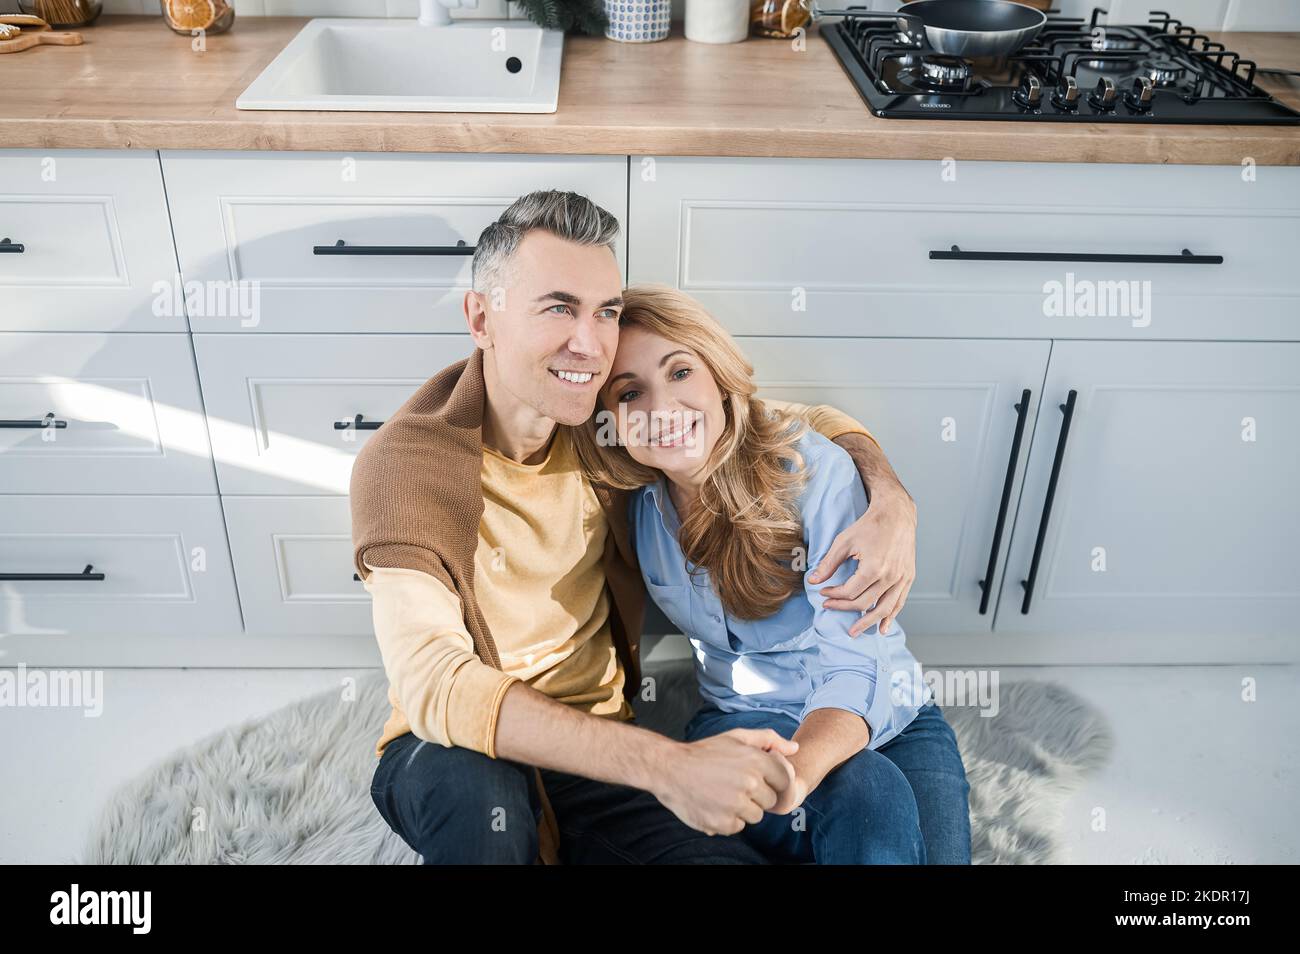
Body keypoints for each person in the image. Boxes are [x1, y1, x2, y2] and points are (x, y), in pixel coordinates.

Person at [351, 190, 924, 864]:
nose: (588, 343)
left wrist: (888, 495)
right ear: (482, 318)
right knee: (485, 811)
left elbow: (753, 414)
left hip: (600, 758)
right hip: (453, 752)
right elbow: (435, 685)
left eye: (605, 312)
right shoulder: (406, 465)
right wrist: (664, 765)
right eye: (558, 307)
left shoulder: (606, 430)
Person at [567, 283, 972, 864]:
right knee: (866, 792)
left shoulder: (811, 472)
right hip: (740, 718)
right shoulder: (629, 502)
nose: (661, 410)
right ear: (608, 418)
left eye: (680, 372)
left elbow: (857, 667)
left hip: (893, 712)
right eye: (631, 392)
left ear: (717, 373)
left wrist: (794, 775)